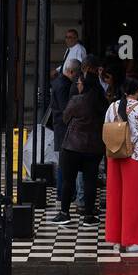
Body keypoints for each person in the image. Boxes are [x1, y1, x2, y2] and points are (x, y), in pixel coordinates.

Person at [104, 78, 138, 254]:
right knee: (134, 199)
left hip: (114, 154)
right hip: (136, 156)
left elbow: (106, 128)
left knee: (115, 197)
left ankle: (116, 239)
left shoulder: (112, 107)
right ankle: (133, 240)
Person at [55, 72, 107, 226]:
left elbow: (65, 118)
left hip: (72, 146)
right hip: (94, 148)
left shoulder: (77, 100)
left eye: (79, 83)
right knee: (90, 182)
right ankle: (89, 216)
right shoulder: (102, 102)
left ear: (84, 85)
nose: (77, 85)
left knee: (68, 181)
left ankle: (64, 213)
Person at [51, 60, 77, 202]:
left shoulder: (60, 82)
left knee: (64, 162)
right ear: (71, 71)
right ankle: (62, 192)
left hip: (61, 127)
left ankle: (63, 192)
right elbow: (64, 108)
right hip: (63, 128)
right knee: (64, 162)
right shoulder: (63, 85)